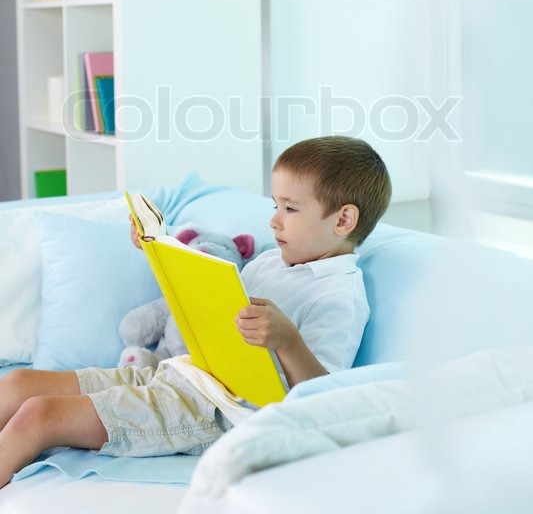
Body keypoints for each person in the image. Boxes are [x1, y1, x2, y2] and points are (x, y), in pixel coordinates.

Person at [0, 135, 391, 488]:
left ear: (343, 219)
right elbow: (210, 302)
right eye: (276, 205)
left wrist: (287, 339)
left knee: (39, 415)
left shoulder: (339, 296)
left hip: (213, 409)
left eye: (290, 208)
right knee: (16, 385)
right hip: (177, 372)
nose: (273, 220)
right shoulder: (272, 261)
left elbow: (324, 398)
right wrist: (161, 250)